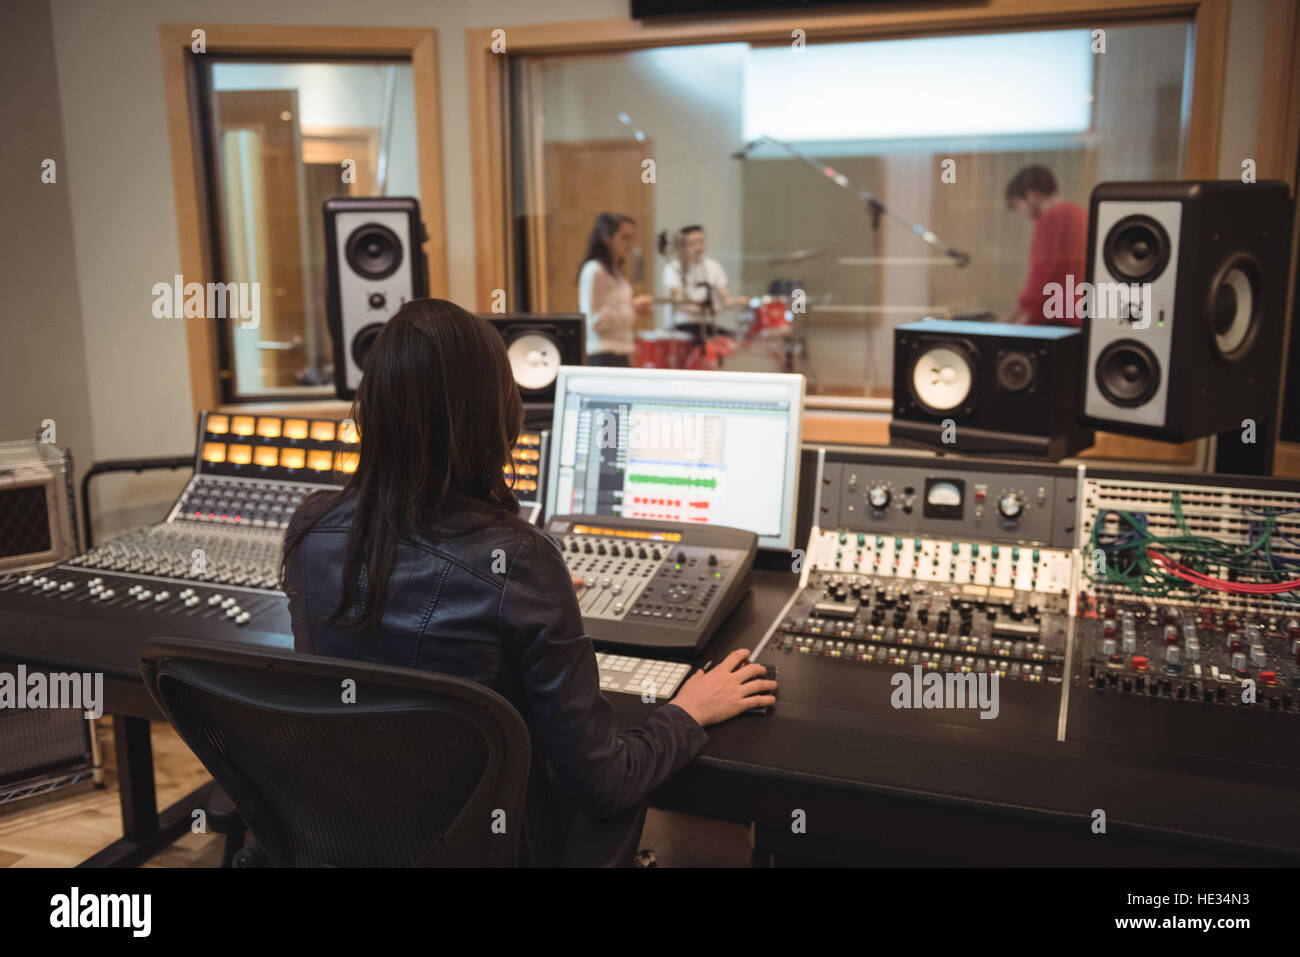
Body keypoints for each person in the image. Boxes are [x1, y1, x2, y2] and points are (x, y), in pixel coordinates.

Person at [281, 298, 775, 866]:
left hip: (352, 842)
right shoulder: (518, 559)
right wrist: (687, 712)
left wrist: (532, 608)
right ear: (494, 416)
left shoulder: (311, 529)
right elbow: (604, 782)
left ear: (370, 410)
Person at [1005, 165, 1088, 327]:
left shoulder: (1050, 217)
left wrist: (1013, 317)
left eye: (1018, 205)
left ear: (1031, 196)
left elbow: (1042, 271)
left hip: (1056, 317)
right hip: (1080, 313)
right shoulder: (1082, 214)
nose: (1022, 214)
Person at [577, 213, 654, 366]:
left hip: (620, 351)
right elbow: (593, 321)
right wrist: (632, 309)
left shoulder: (616, 272)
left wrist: (634, 309)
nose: (630, 244)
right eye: (624, 238)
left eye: (632, 238)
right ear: (607, 238)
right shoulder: (595, 270)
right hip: (603, 354)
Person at [662, 225, 746, 336]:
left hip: (707, 325)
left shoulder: (713, 266)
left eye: (700, 241)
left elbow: (725, 299)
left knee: (736, 340)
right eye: (692, 243)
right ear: (682, 245)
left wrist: (745, 301)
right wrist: (707, 309)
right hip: (682, 325)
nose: (698, 247)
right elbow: (680, 302)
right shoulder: (673, 268)